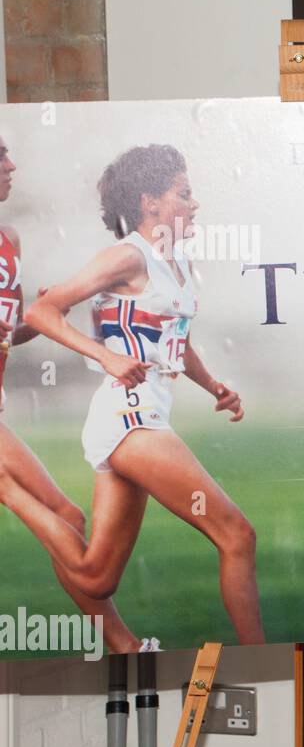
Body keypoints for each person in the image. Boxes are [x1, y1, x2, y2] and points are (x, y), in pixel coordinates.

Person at [15, 144, 264, 645]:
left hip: (140, 416)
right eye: (184, 194)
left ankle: (8, 492)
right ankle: (260, 657)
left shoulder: (178, 263)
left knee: (96, 576)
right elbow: (42, 313)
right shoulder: (127, 256)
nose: (195, 205)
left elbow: (177, 342)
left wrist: (215, 386)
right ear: (151, 203)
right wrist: (104, 355)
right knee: (236, 535)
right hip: (130, 416)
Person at [0, 134, 148, 653]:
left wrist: (37, 324)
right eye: (0, 155)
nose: (12, 164)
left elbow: (8, 333)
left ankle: (124, 645)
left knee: (69, 519)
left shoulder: (9, 241)